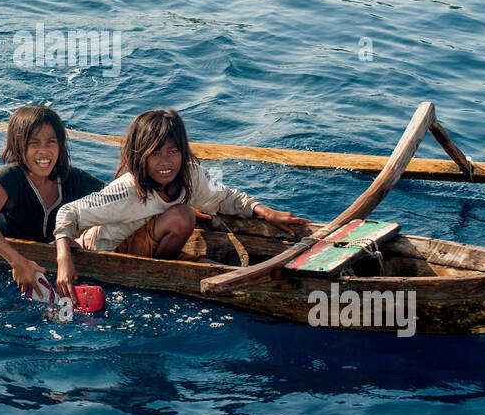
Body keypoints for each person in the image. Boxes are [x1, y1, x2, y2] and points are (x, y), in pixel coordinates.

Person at [53, 108, 307, 301]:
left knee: (215, 266)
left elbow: (224, 196)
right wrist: (64, 261)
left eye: (173, 152)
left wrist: (266, 212)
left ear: (183, 153)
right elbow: (68, 212)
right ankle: (165, 273)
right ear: (139, 156)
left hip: (150, 245)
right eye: (154, 153)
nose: (166, 162)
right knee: (184, 215)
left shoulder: (191, 174)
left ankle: (174, 266)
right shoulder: (126, 189)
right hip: (108, 251)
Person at [0, 105, 104, 294]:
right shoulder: (11, 177)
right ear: (19, 146)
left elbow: (112, 194)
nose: (44, 151)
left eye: (51, 142)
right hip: (7, 272)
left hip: (51, 270)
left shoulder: (71, 178)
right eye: (34, 143)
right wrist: (17, 262)